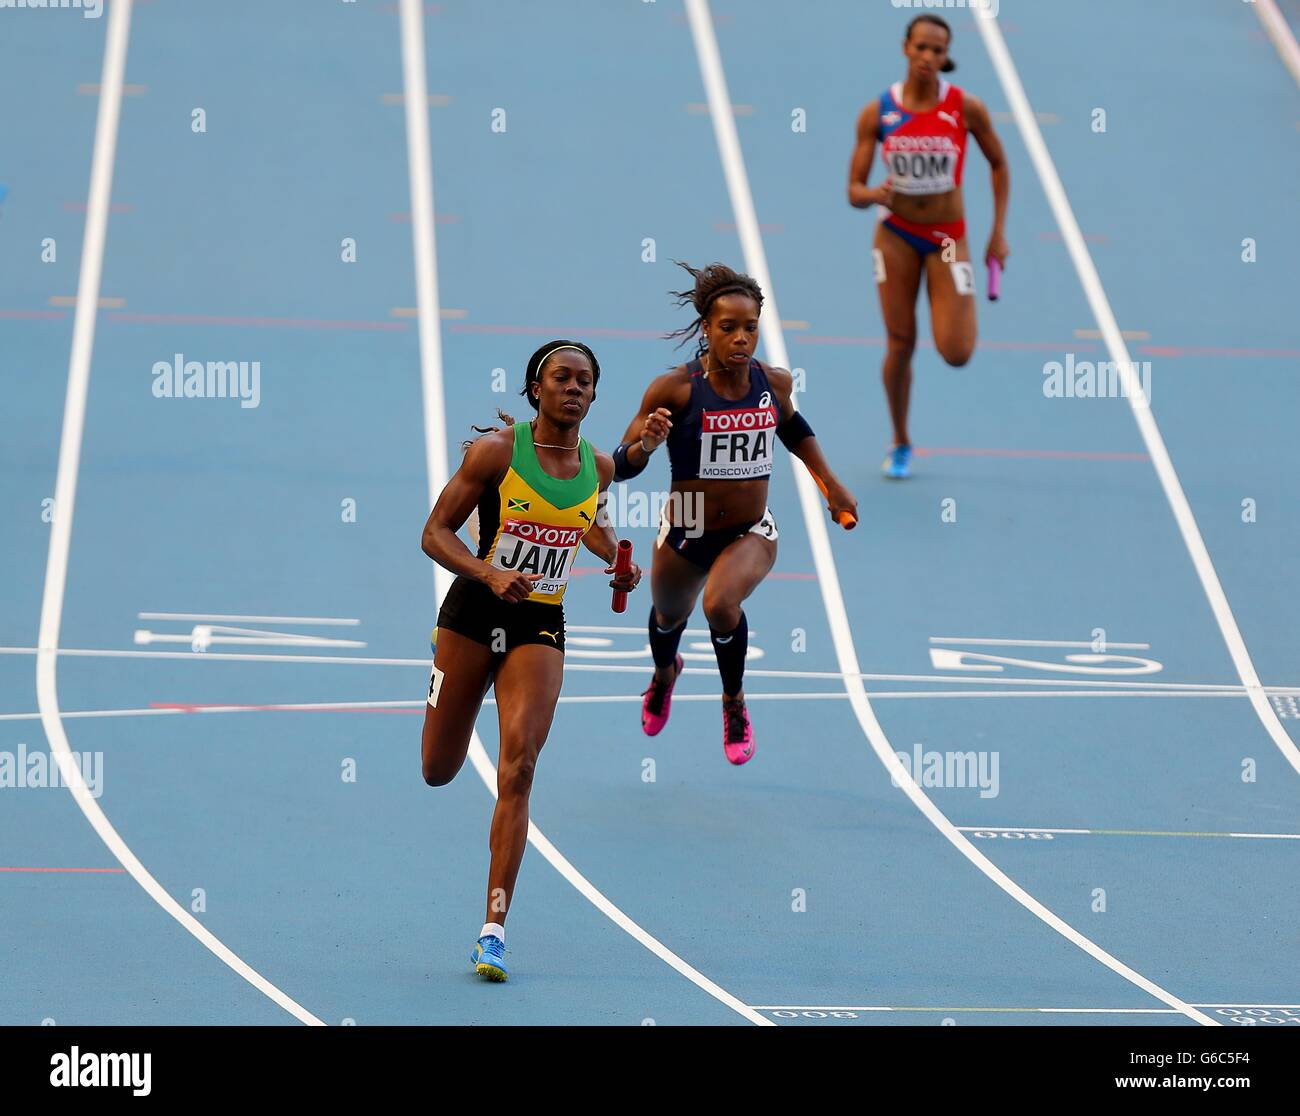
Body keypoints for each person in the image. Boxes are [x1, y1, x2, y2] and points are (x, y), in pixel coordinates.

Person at [419, 340, 641, 981]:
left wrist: (614, 560)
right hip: (471, 613)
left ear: (594, 396)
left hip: (539, 623)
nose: (573, 388)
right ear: (534, 390)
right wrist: (488, 573)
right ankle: (440, 684)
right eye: (560, 378)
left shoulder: (596, 467)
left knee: (519, 766)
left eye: (585, 381)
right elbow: (434, 532)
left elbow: (579, 522)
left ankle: (493, 929)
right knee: (438, 769)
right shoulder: (494, 453)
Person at [612, 262, 856, 765]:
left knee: (720, 606)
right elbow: (620, 466)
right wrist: (647, 445)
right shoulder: (674, 391)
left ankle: (734, 702)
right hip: (687, 526)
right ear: (706, 328)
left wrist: (830, 485)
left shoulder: (773, 383)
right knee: (666, 618)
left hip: (750, 532)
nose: (741, 338)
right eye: (729, 328)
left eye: (750, 328)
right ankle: (663, 676)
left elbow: (793, 428)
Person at [848, 12, 1010, 478]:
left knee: (956, 352)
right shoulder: (879, 112)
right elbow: (853, 190)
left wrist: (997, 232)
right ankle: (900, 441)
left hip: (946, 238)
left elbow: (999, 164)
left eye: (937, 50)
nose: (927, 57)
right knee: (900, 342)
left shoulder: (965, 108)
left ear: (946, 56)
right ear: (906, 48)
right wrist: (873, 193)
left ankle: (958, 303)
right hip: (896, 235)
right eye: (920, 47)